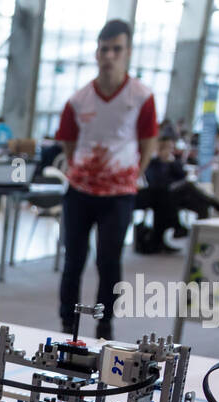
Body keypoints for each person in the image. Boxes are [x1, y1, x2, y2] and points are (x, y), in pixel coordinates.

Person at [54, 19, 158, 340]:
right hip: (80, 192)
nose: (109, 55)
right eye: (104, 49)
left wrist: (128, 173)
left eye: (117, 49)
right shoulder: (78, 100)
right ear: (96, 53)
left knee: (108, 260)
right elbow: (68, 144)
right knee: (73, 259)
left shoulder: (141, 96)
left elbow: (148, 143)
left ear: (127, 52)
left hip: (119, 195)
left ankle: (104, 323)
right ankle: (67, 322)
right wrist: (84, 171)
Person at [135, 136, 219, 253]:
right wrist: (164, 163)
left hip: (176, 195)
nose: (169, 151)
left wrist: (171, 163)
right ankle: (216, 205)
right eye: (167, 148)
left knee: (199, 201)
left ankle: (200, 237)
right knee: (186, 188)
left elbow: (182, 176)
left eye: (171, 148)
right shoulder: (153, 163)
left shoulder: (173, 162)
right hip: (162, 194)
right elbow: (156, 182)